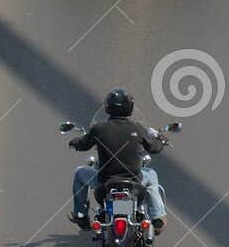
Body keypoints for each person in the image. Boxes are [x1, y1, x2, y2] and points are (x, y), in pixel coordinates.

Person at [68, 88, 167, 231]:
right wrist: (162, 141)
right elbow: (154, 148)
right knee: (151, 174)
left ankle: (81, 215)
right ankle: (157, 216)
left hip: (105, 180)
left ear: (108, 107)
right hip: (134, 179)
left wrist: (75, 142)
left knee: (79, 173)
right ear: (130, 108)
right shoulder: (138, 128)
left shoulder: (99, 128)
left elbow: (84, 144)